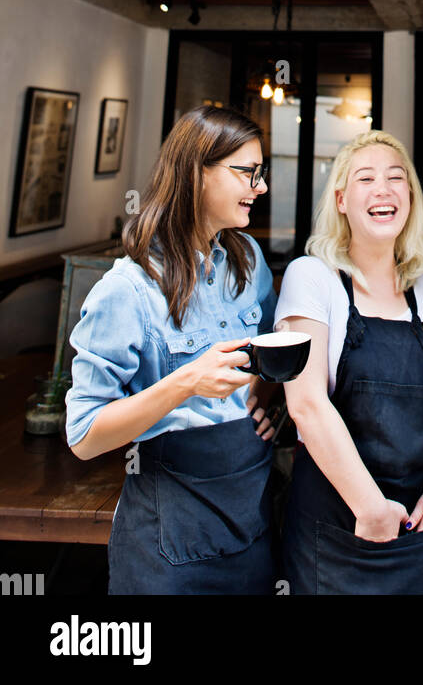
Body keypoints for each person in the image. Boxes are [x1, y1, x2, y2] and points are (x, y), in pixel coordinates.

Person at [66, 106, 278, 594]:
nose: (260, 187)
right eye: (248, 173)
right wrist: (186, 382)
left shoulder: (248, 262)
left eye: (261, 173)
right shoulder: (127, 290)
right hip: (169, 544)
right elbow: (84, 436)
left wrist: (267, 404)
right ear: (197, 173)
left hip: (253, 520)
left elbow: (266, 354)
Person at [277, 129, 423, 595]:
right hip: (341, 528)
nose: (383, 189)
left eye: (396, 178)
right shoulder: (313, 278)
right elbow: (306, 405)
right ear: (341, 200)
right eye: (366, 179)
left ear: (411, 197)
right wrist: (370, 507)